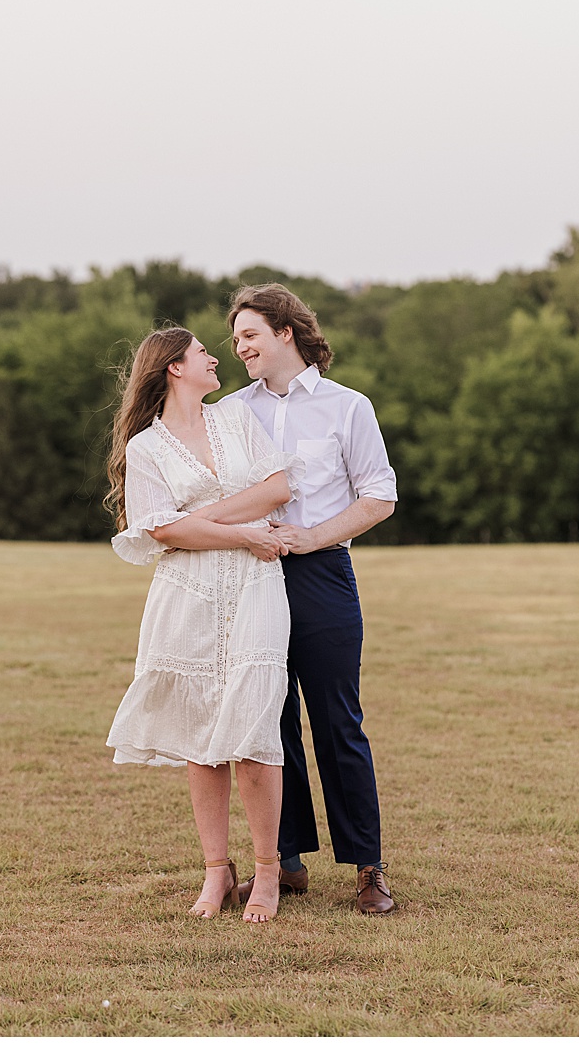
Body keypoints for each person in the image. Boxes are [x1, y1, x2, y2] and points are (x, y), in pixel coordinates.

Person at [105, 327, 304, 922]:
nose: (215, 357)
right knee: (201, 733)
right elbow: (162, 530)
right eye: (201, 353)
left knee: (256, 726)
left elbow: (277, 488)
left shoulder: (237, 418)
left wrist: (202, 523)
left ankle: (267, 871)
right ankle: (217, 871)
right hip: (188, 594)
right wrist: (240, 534)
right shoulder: (146, 447)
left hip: (256, 585)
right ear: (173, 367)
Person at [223, 283, 401, 917]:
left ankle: (368, 866)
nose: (240, 348)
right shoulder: (231, 413)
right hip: (251, 576)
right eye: (235, 339)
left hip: (323, 574)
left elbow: (379, 496)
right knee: (270, 719)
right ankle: (285, 861)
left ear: (285, 333)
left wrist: (312, 537)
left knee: (337, 721)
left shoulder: (347, 406)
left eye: (249, 335)